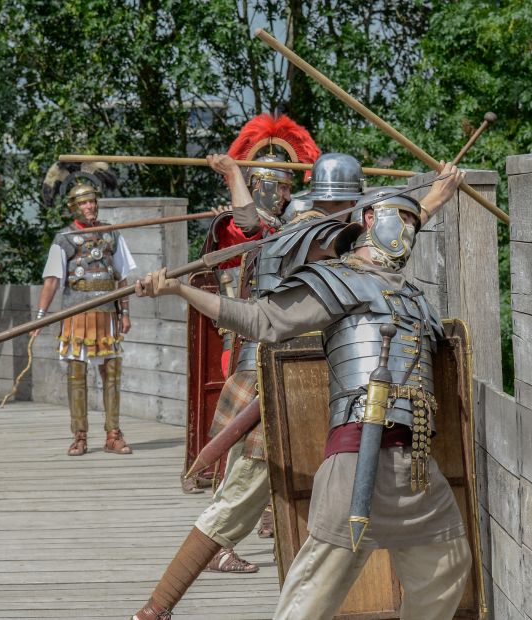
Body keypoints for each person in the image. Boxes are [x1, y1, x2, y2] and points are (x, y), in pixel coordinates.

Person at [135, 163, 470, 620]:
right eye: (403, 219)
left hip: (414, 461)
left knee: (447, 562)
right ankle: (156, 607)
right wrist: (179, 290)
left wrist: (435, 197)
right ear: (368, 217)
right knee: (316, 584)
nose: (411, 229)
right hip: (358, 452)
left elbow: (400, 221)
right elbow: (262, 320)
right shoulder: (336, 271)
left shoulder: (410, 294)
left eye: (416, 222)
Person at [129, 152, 368, 620]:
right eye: (279, 186)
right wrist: (234, 175)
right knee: (238, 497)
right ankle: (155, 609)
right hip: (278, 381)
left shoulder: (298, 231)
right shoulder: (295, 235)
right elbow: (249, 228)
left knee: (304, 503)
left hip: (310, 380)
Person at [33, 178, 137, 456]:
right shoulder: (64, 239)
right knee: (77, 375)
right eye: (84, 203)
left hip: (107, 316)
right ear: (73, 207)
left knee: (112, 374)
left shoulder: (111, 234)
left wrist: (125, 312)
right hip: (76, 316)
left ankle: (113, 435)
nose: (90, 206)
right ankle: (79, 436)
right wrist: (40, 316)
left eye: (92, 201)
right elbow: (52, 281)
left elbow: (122, 277)